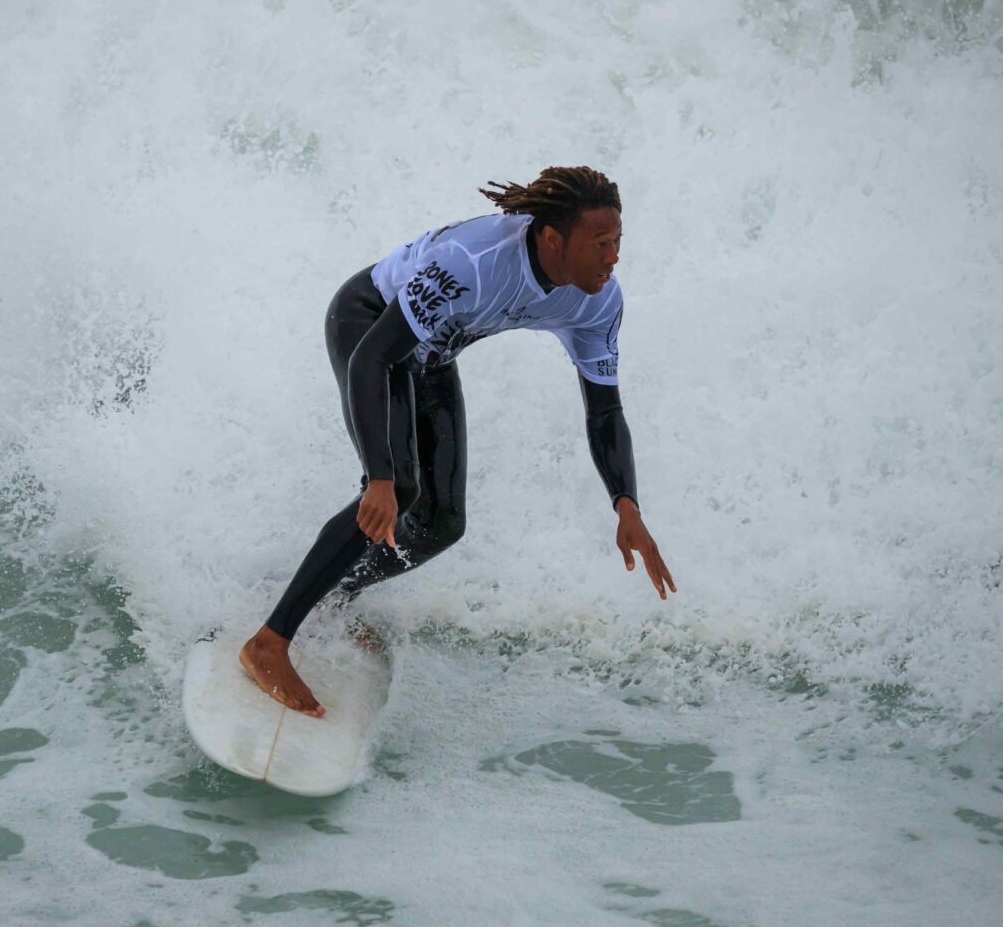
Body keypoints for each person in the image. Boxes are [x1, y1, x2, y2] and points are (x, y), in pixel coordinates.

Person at [239, 166, 676, 716]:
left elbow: (605, 408)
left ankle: (329, 597)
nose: (613, 257)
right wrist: (379, 476)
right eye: (601, 244)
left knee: (442, 522)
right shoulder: (474, 262)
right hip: (370, 326)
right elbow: (376, 356)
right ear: (552, 239)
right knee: (398, 486)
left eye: (618, 242)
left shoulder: (597, 302)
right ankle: (269, 642)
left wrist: (626, 502)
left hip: (430, 354)